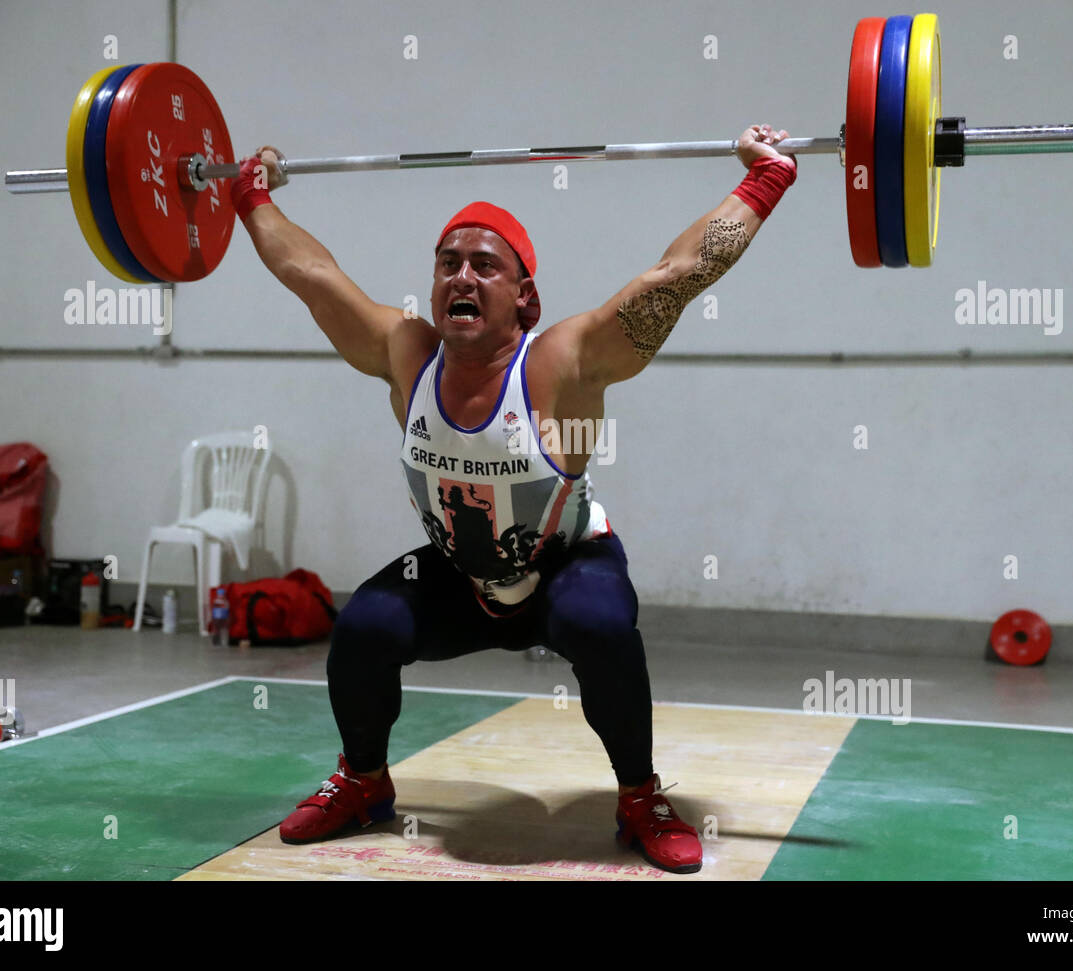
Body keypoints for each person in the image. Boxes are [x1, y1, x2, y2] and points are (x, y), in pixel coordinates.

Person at [229, 125, 796, 874]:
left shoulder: (565, 361)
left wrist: (766, 179)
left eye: (485, 266)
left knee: (598, 624)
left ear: (524, 296)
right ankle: (364, 780)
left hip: (569, 567)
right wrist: (248, 196)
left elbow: (678, 275)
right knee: (364, 624)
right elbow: (311, 272)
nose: (462, 277)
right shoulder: (406, 352)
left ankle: (638, 795)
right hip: (460, 580)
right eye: (448, 264)